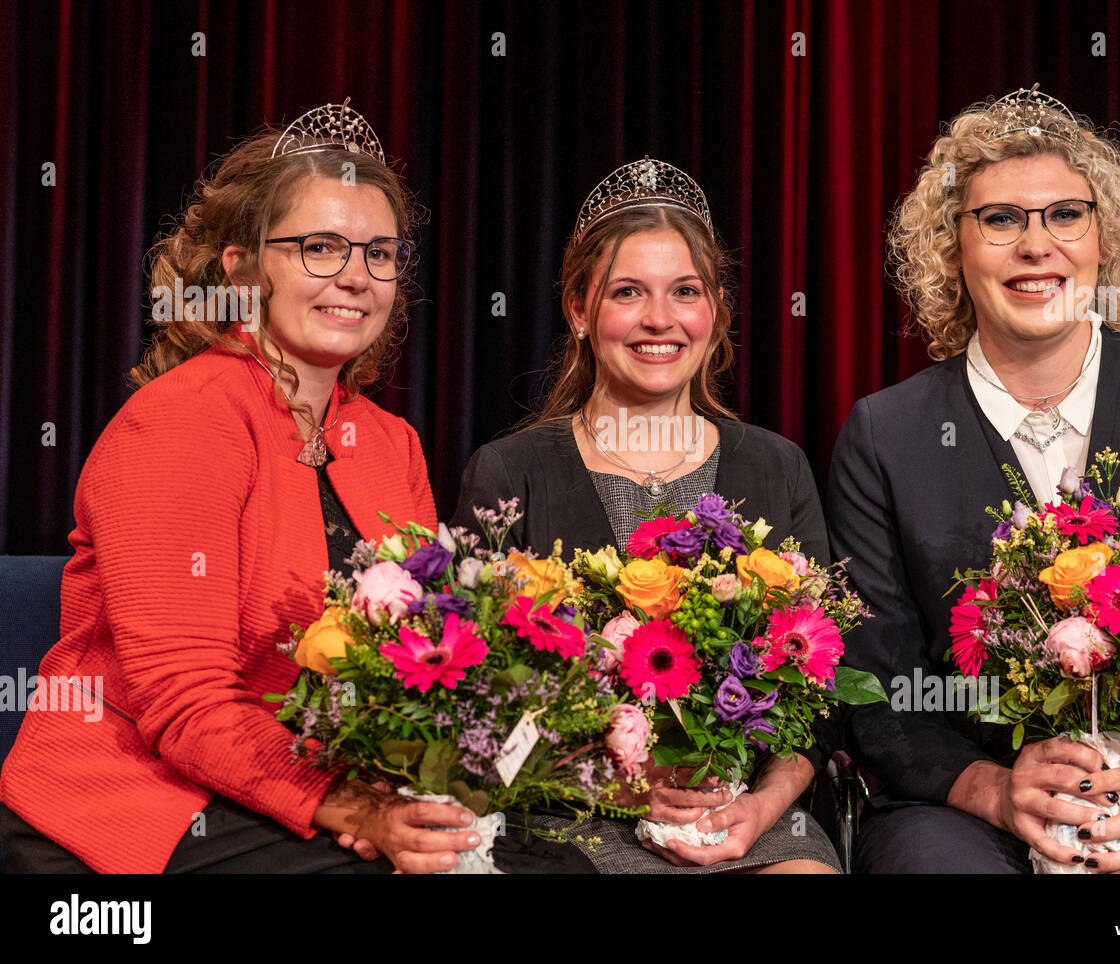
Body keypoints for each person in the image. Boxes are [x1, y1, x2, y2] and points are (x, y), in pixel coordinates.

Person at [826, 87, 1120, 873]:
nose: (1035, 245)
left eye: (1065, 215)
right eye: (1001, 219)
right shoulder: (885, 435)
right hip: (964, 816)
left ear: (1104, 240)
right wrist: (993, 789)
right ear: (954, 248)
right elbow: (876, 688)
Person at [0, 102, 483, 874]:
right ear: (241, 268)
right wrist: (358, 811)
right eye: (320, 248)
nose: (356, 277)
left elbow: (409, 669)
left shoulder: (395, 444)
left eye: (380, 253)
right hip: (138, 805)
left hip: (313, 792)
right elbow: (185, 704)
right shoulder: (178, 421)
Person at [448, 158, 839, 873]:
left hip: (748, 815)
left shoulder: (777, 467)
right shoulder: (510, 473)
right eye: (628, 293)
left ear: (716, 309)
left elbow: (820, 703)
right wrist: (629, 791)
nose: (660, 319)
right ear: (578, 308)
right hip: (572, 819)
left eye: (684, 292)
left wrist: (760, 805)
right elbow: (481, 718)